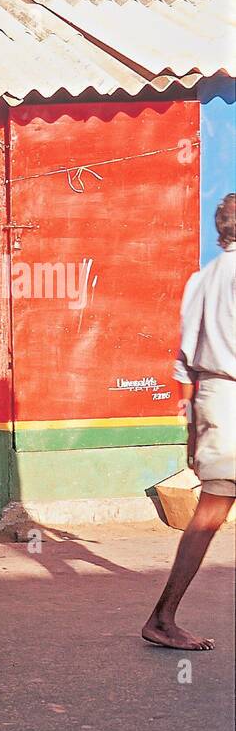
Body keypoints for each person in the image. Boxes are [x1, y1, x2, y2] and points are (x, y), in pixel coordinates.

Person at [143, 193, 236, 650]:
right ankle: (162, 617)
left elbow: (183, 364)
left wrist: (191, 427)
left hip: (215, 400)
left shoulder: (201, 279)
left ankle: (163, 617)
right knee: (211, 513)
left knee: (212, 511)